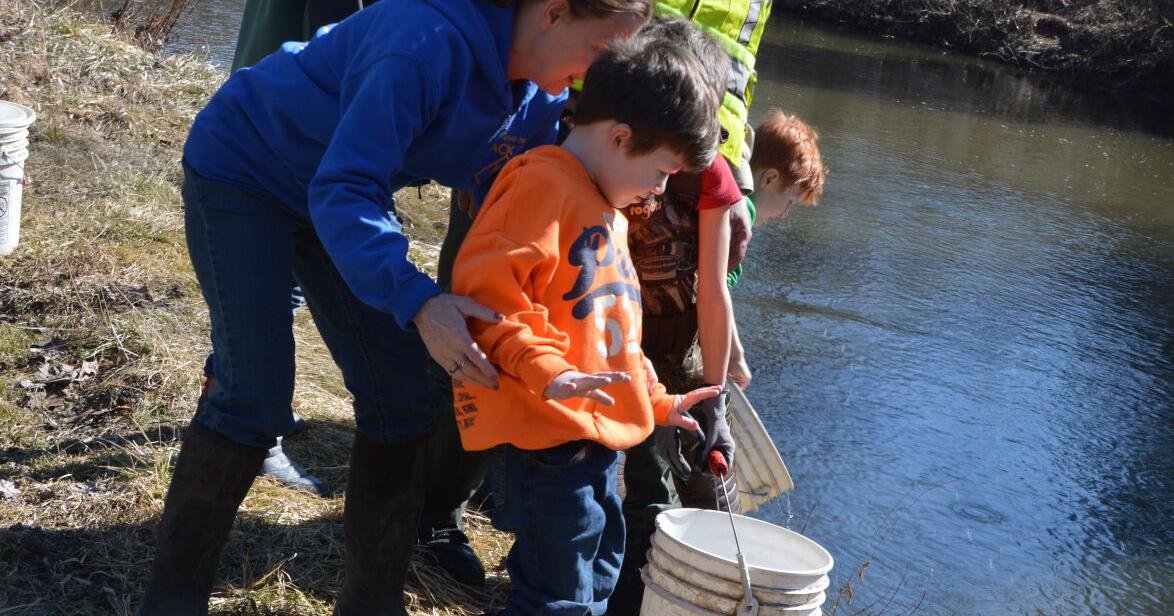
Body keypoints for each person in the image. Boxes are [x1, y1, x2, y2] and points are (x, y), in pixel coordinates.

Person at [136, 1, 654, 614]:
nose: (593, 79)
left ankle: (370, 605)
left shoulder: (538, 101)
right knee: (253, 397)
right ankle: (169, 603)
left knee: (403, 399)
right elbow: (344, 188)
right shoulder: (425, 42)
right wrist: (420, 301)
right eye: (598, 51)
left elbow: (509, 212)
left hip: (340, 198)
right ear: (553, 13)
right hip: (248, 173)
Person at [449, 25, 724, 615]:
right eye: (663, 170)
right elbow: (484, 300)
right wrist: (548, 371)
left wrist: (657, 402)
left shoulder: (607, 205)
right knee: (556, 595)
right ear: (621, 137)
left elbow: (615, 337)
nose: (661, 187)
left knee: (598, 572)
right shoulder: (540, 184)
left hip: (592, 439)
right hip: (546, 435)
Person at [725, 109, 828, 387]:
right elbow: (715, 290)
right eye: (789, 202)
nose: (784, 215)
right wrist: (735, 355)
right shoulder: (740, 214)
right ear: (769, 179)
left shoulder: (723, 194)